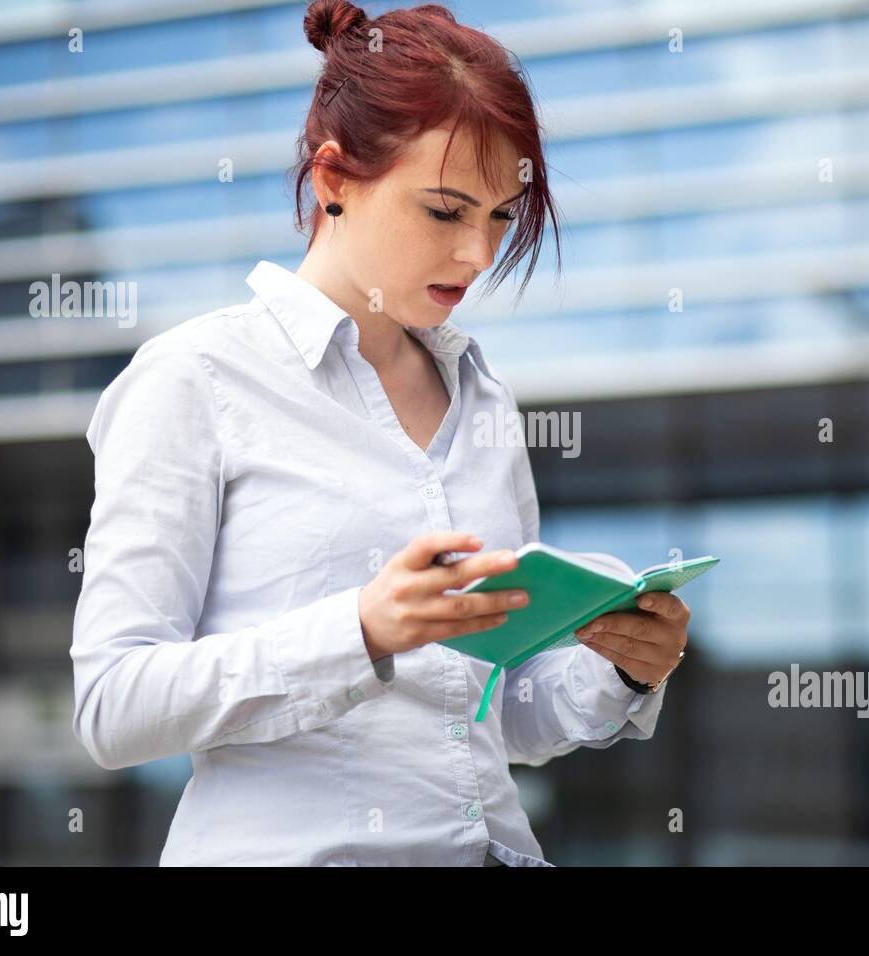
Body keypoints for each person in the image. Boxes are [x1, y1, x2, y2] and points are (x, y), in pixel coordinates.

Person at [70, 0, 691, 867]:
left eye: (502, 217)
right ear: (333, 182)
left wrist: (621, 667)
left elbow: (490, 712)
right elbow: (111, 706)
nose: (478, 254)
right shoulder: (195, 380)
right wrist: (359, 631)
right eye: (444, 211)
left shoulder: (484, 401)